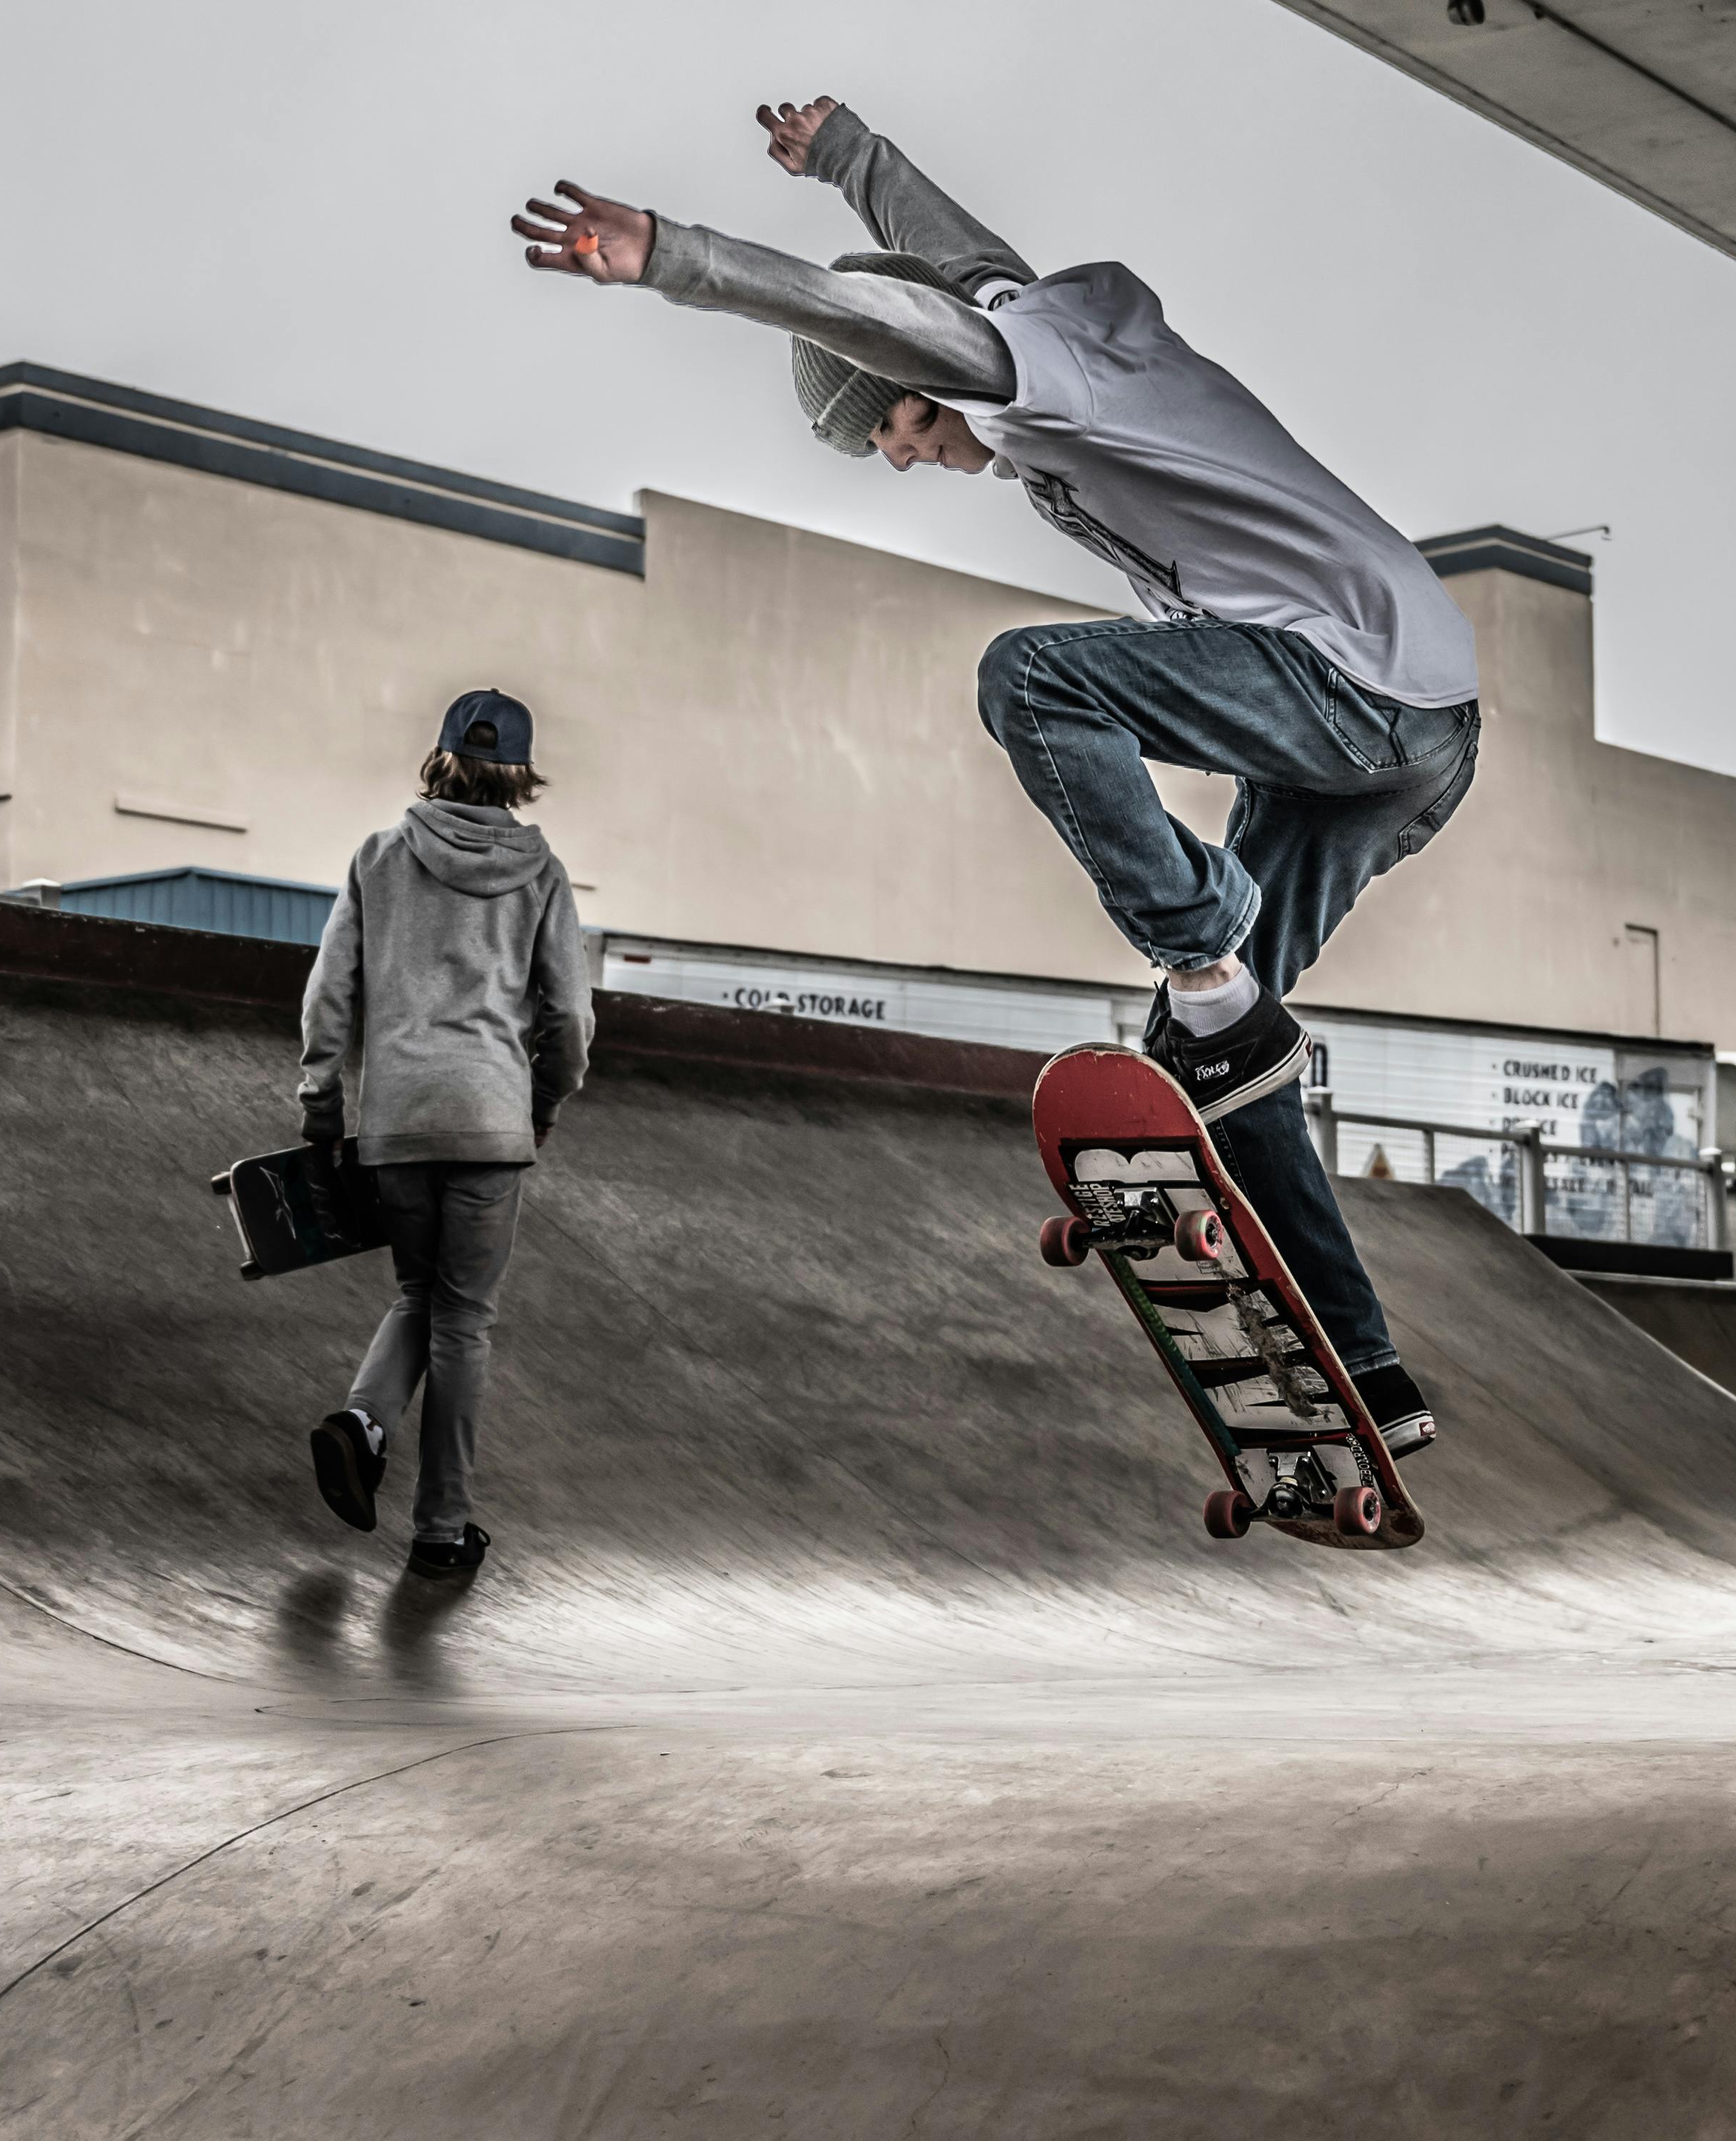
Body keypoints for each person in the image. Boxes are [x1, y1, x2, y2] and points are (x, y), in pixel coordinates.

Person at [506, 95, 1471, 1457]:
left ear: (920, 387)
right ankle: (1364, 1369)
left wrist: (665, 254)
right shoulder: (1041, 327)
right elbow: (941, 248)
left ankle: (1200, 953)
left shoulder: (1026, 372)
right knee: (1214, 1058)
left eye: (889, 435)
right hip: (1402, 734)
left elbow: (882, 314)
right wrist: (843, 155)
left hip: (1347, 687)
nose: (903, 460)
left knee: (1031, 676)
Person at [297, 688, 594, 1574]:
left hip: (397, 1117)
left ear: (439, 758)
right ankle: (439, 1529)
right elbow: (570, 1019)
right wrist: (540, 1104)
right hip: (490, 1123)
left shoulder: (380, 856)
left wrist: (320, 1106)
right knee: (462, 1319)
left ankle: (361, 1420)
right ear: (519, 774)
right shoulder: (542, 873)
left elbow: (328, 995)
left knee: (418, 1295)